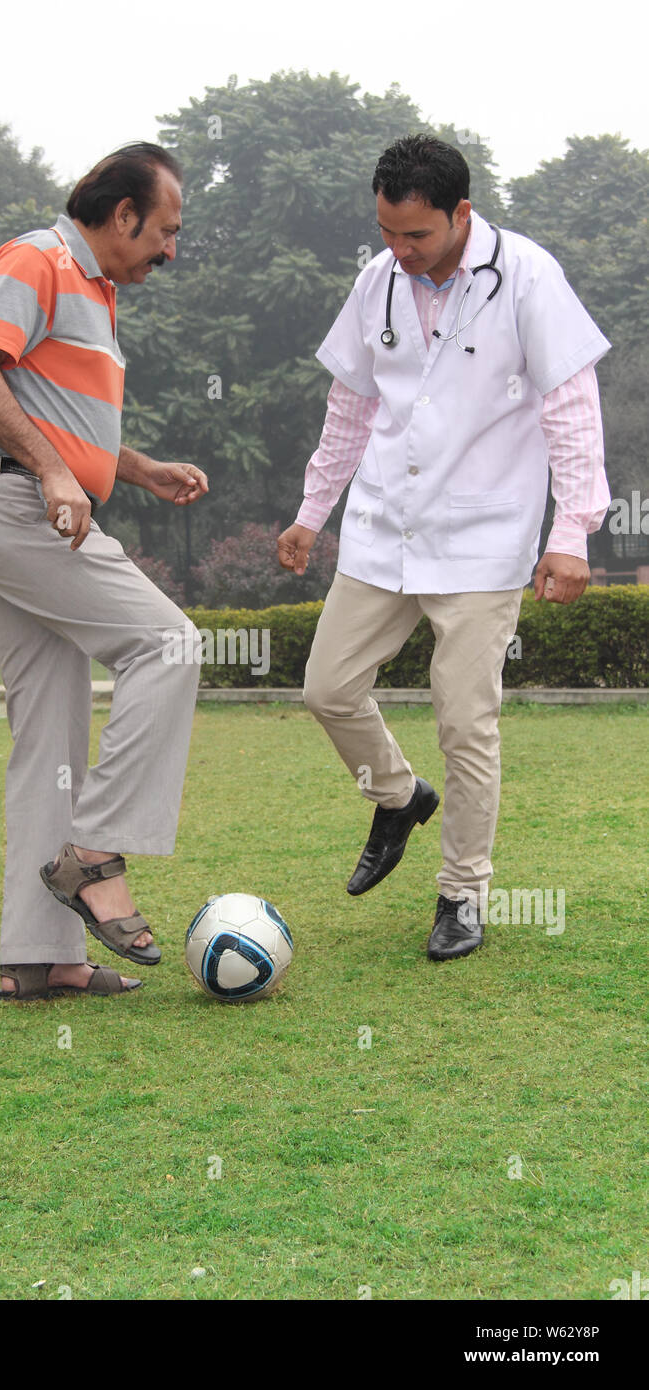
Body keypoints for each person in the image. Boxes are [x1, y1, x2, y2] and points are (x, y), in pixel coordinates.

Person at [277, 134, 610, 962]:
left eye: (416, 235)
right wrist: (312, 511)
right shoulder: (377, 280)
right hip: (385, 523)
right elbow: (350, 407)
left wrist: (571, 533)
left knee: (466, 721)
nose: (400, 250)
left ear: (462, 213)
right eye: (388, 232)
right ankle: (396, 796)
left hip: (484, 533)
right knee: (327, 687)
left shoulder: (528, 275)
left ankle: (462, 893)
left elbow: (572, 410)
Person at [0, 143, 207, 1000]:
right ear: (122, 213)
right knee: (167, 643)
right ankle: (93, 856)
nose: (169, 250)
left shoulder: (93, 292)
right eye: (163, 230)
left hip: (24, 507)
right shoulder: (39, 259)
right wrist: (57, 474)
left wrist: (133, 468)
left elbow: (55, 416)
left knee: (50, 744)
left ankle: (41, 957)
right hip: (17, 510)